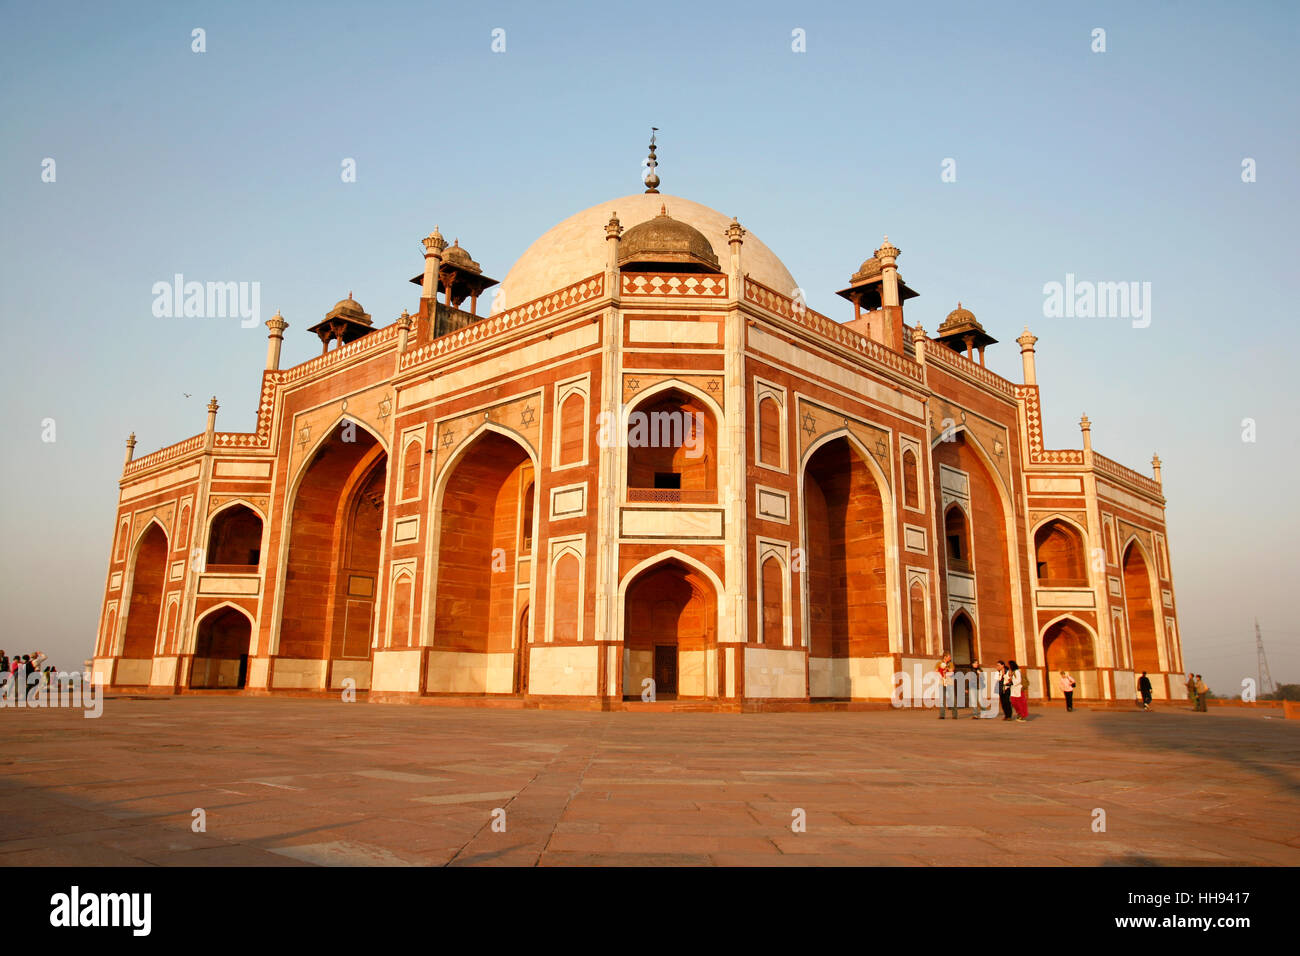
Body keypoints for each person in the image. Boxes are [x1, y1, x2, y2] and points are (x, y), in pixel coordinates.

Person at [936, 653, 958, 720]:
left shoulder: (951, 663)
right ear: (945, 657)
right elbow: (936, 671)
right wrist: (942, 673)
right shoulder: (939, 663)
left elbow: (952, 672)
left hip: (949, 683)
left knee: (952, 698)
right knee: (941, 700)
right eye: (949, 657)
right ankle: (942, 715)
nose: (950, 658)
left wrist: (946, 670)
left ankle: (955, 715)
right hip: (941, 683)